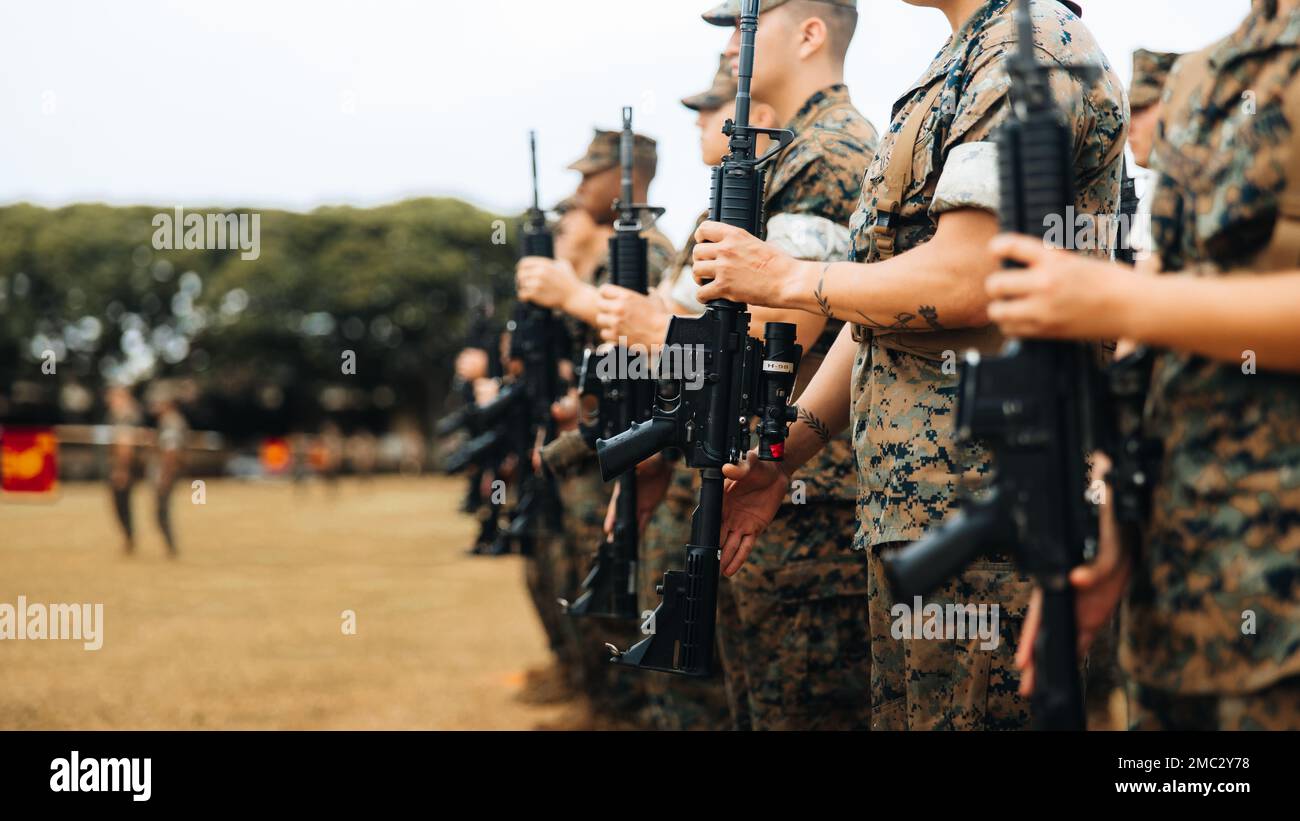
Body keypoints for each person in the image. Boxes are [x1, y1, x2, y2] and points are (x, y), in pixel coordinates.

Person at [692, 0, 1124, 730]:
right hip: (917, 507)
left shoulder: (1032, 51)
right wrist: (790, 450)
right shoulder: (961, 61)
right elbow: (879, 309)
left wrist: (785, 278)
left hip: (990, 510)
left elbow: (965, 279)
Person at [986, 0, 1300, 730]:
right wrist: (1114, 533)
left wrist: (1122, 300)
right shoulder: (1204, 75)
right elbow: (1176, 346)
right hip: (1181, 601)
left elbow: (1155, 307)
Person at [618, 0, 880, 731]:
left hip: (807, 500)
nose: (732, 46)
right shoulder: (785, 154)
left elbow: (779, 332)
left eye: (747, 26)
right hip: (766, 482)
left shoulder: (826, 154)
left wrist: (652, 332)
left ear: (809, 33)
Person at [523, 130, 677, 727]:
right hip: (614, 445)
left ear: (624, 178)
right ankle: (601, 706)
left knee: (624, 596)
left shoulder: (650, 253)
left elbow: (658, 355)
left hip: (639, 455)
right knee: (593, 582)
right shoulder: (617, 256)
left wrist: (573, 296)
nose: (580, 188)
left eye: (591, 176)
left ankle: (621, 712)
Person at [147, 382, 188, 557]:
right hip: (165, 470)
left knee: (161, 511)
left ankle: (171, 548)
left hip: (166, 471)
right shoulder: (168, 421)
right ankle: (170, 547)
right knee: (160, 512)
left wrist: (165, 476)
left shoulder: (171, 422)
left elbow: (171, 451)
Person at [105, 384, 142, 554]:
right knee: (122, 504)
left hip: (124, 467)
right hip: (124, 466)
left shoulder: (124, 416)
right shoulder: (122, 415)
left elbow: (125, 447)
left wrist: (122, 470)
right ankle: (129, 537)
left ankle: (129, 538)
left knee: (122, 504)